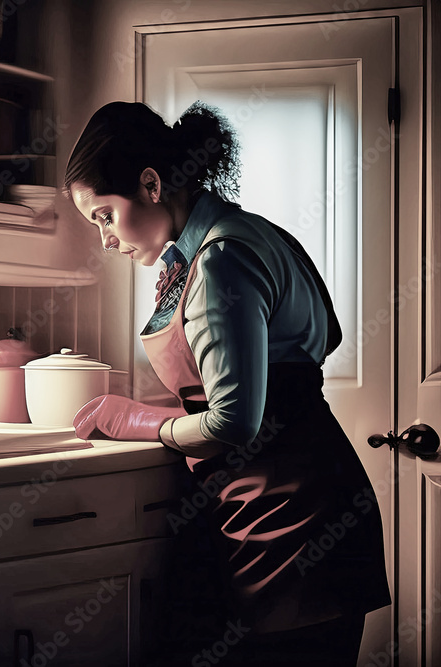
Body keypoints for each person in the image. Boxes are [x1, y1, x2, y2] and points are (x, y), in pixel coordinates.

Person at [64, 101, 391, 666]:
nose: (105, 241)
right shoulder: (257, 233)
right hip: (320, 498)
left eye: (103, 217)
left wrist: (139, 421)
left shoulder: (220, 260)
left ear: (149, 184)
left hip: (284, 521)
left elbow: (234, 422)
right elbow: (325, 336)